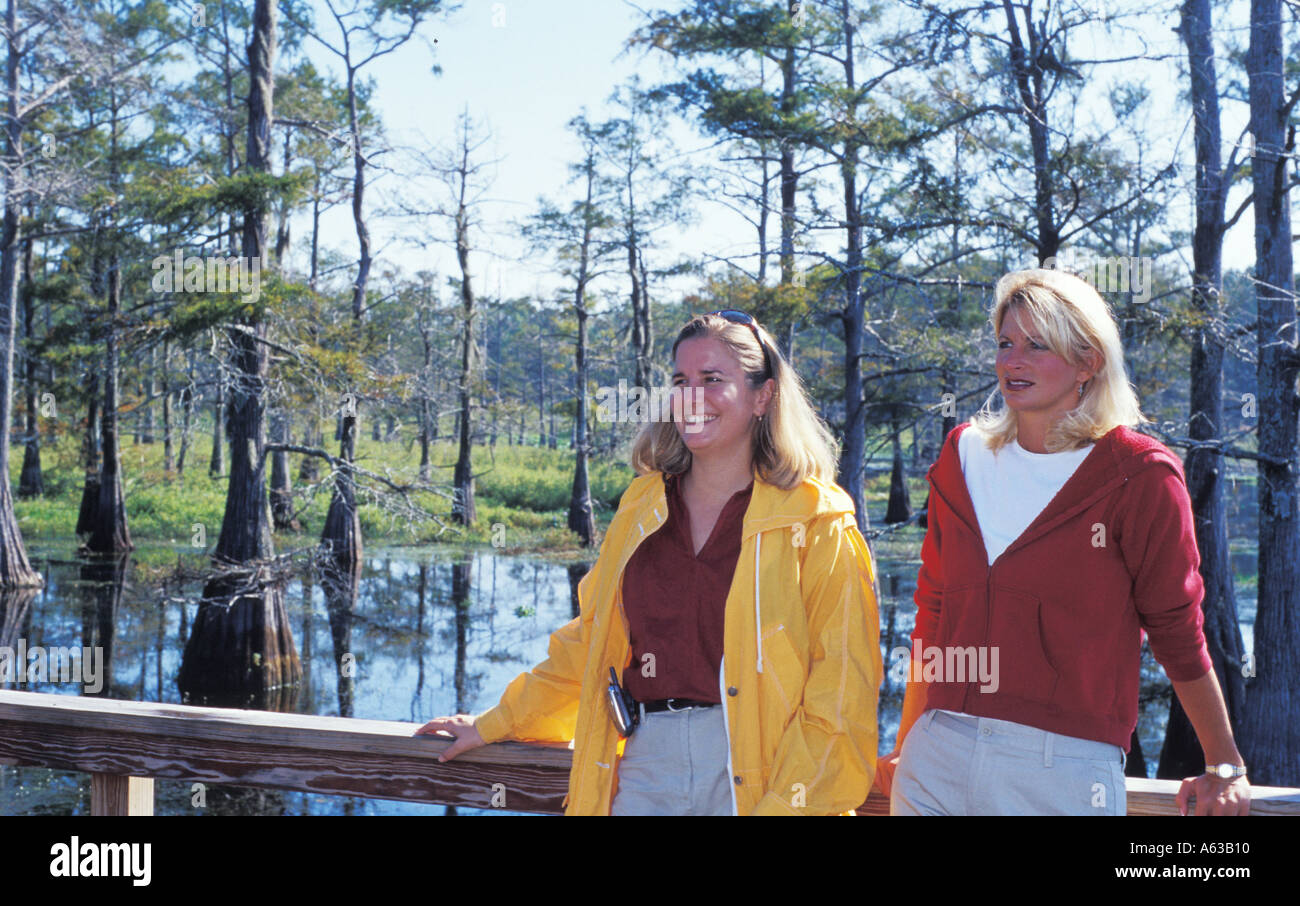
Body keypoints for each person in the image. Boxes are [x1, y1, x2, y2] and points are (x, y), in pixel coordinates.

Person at [418, 311, 881, 815]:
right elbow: (592, 644)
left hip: (764, 772)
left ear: (762, 396)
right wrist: (496, 722)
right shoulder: (643, 508)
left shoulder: (817, 521)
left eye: (713, 380)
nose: (691, 397)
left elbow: (840, 697)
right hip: (646, 763)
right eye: (681, 381)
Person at [875, 268, 1251, 817]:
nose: (1013, 360)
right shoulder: (962, 457)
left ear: (1088, 362)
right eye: (1005, 342)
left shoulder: (1138, 474)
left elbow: (1176, 630)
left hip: (1063, 773)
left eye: (1037, 344)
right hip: (937, 759)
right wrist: (907, 741)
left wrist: (1223, 765)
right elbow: (931, 611)